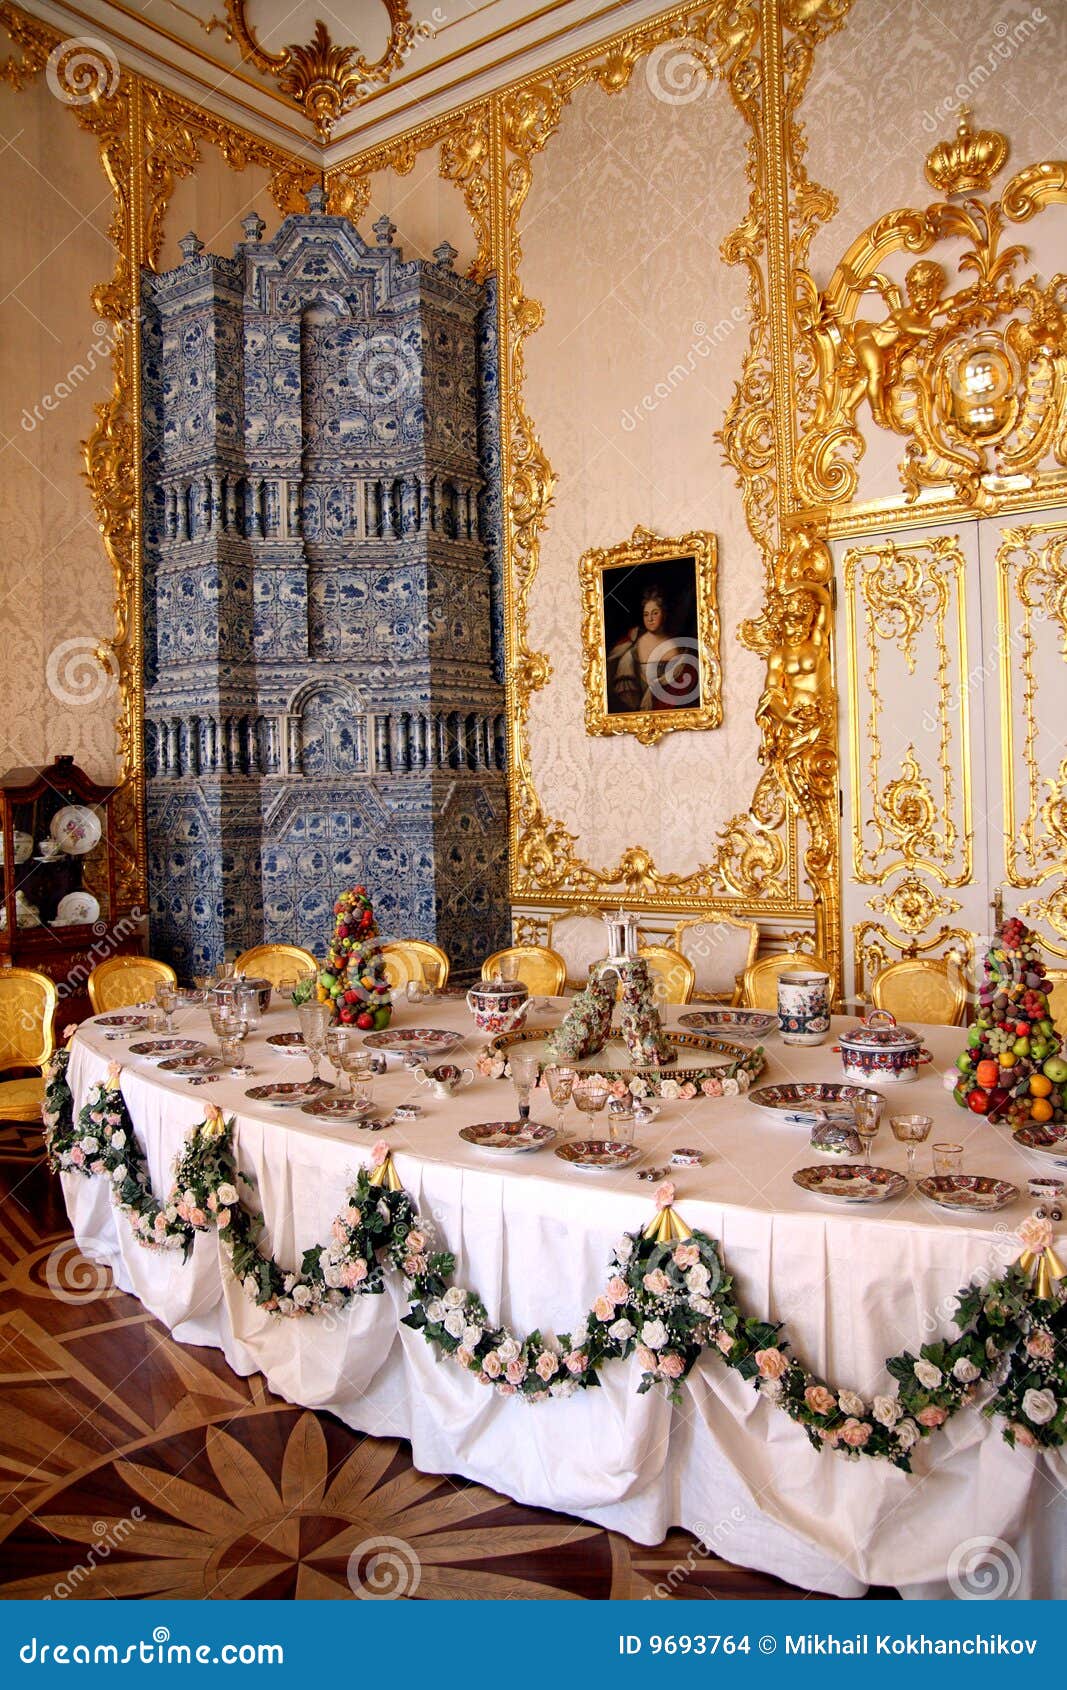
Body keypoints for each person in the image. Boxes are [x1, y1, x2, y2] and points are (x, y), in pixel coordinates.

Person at [606, 582, 697, 712]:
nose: (650, 619)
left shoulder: (675, 645)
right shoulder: (633, 644)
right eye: (646, 614)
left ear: (664, 613)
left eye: (655, 613)